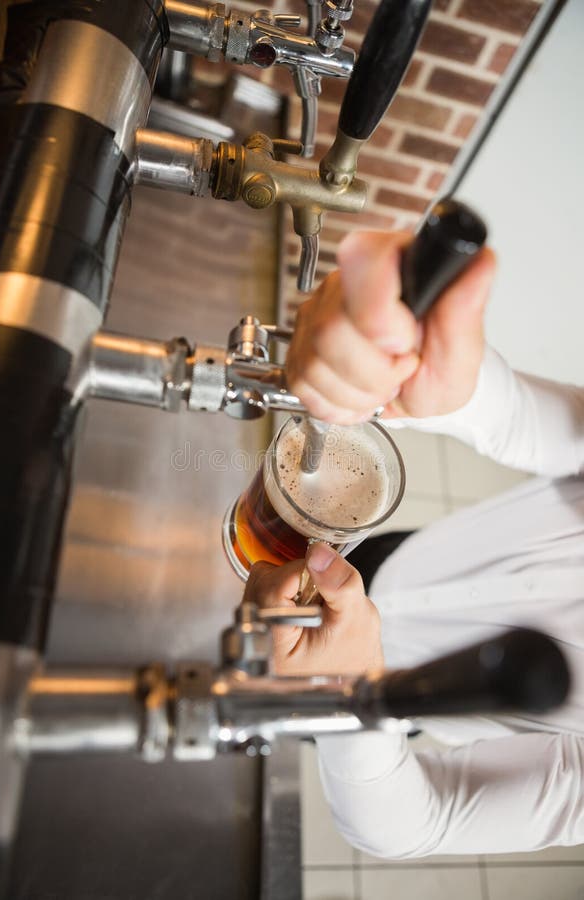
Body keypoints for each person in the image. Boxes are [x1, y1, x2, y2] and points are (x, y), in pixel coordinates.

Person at [243, 229, 584, 857]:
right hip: (389, 556)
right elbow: (510, 414)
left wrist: (345, 692)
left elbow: (418, 824)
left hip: (389, 692)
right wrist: (406, 377)